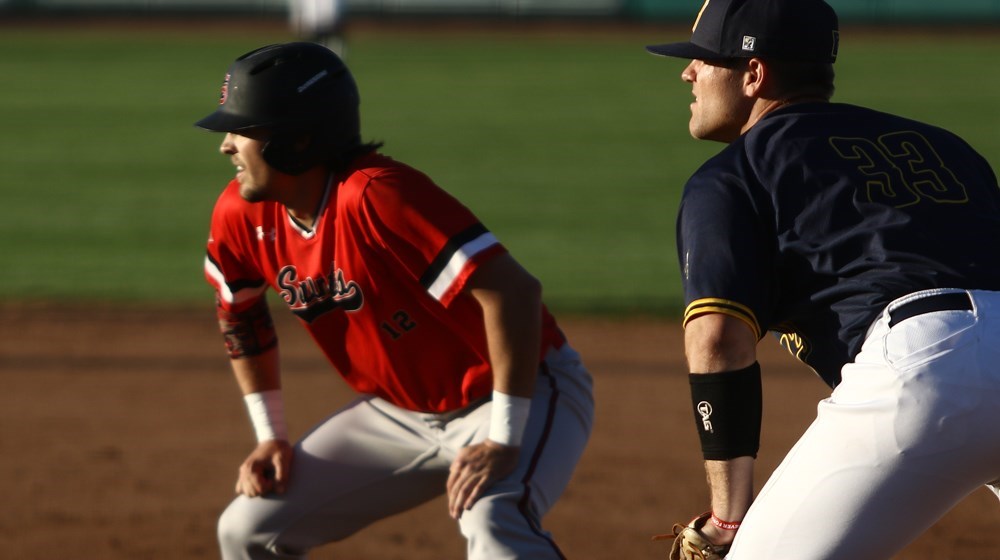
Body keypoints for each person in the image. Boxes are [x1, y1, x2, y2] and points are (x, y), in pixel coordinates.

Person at [194, 42, 593, 560]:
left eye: (243, 131)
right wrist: (271, 436)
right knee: (247, 529)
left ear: (297, 140)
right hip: (398, 416)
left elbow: (513, 292)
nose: (226, 146)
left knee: (497, 524)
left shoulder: (376, 195)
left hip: (519, 392)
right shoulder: (240, 215)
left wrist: (503, 436)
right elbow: (240, 316)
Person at [644, 0, 1000, 557]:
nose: (688, 72)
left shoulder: (734, 174)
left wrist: (728, 518)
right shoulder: (945, 147)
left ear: (753, 74)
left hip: (926, 368)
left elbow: (717, 339)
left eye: (703, 60)